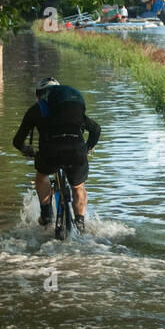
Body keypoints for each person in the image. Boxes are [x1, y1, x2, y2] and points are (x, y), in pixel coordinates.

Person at [12, 76, 101, 233]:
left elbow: (18, 140)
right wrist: (87, 148)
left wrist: (26, 149)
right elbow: (95, 129)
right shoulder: (73, 108)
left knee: (42, 177)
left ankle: (46, 215)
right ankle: (80, 224)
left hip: (50, 152)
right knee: (78, 187)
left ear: (39, 95)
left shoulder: (37, 109)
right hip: (76, 151)